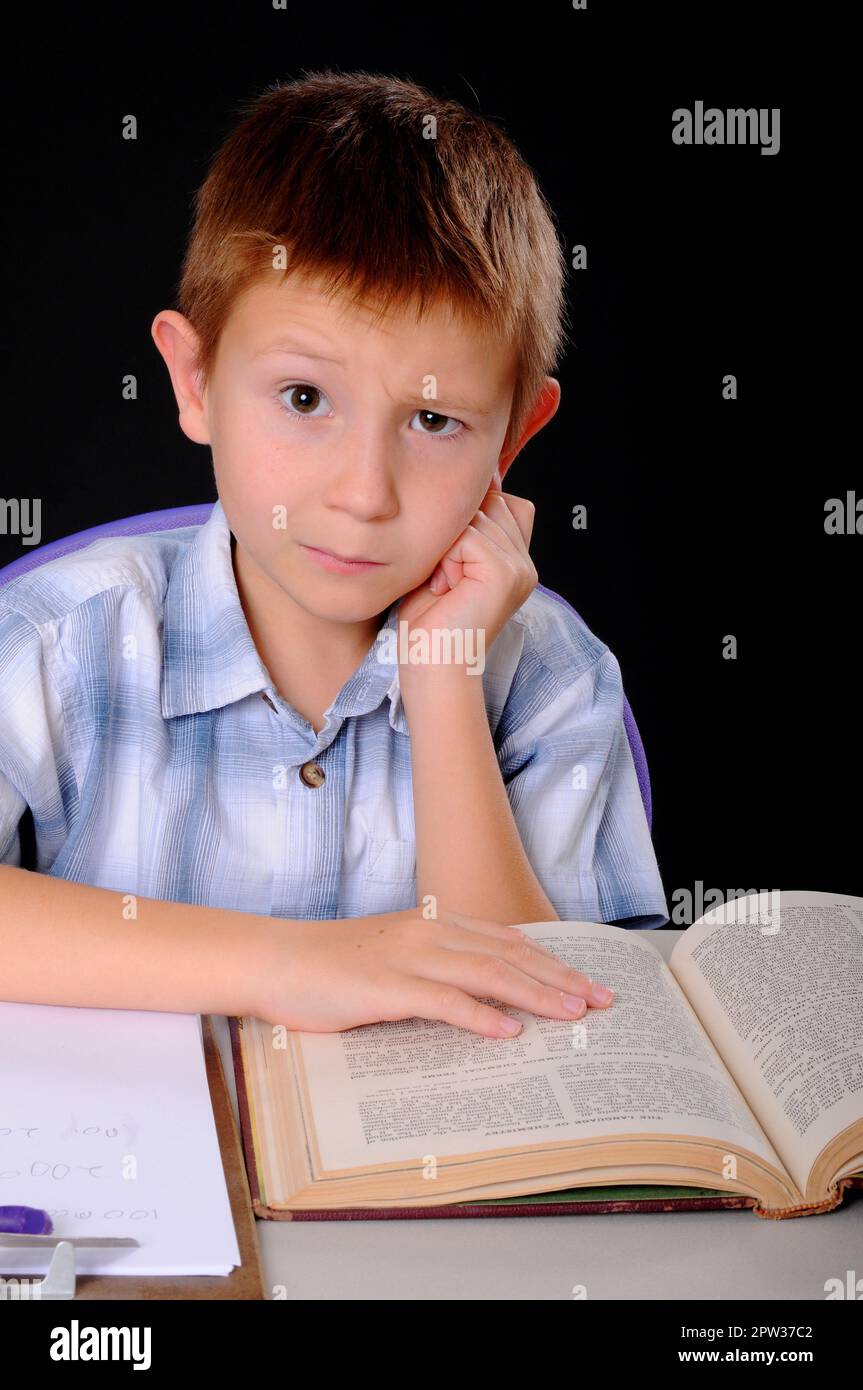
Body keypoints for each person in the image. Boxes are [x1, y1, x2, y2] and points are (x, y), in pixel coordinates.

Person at [0, 70, 668, 1040]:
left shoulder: (550, 676)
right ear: (194, 381)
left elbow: (557, 1036)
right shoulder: (59, 643)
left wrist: (442, 685)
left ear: (513, 440)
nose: (363, 492)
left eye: (433, 420)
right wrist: (287, 965)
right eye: (304, 398)